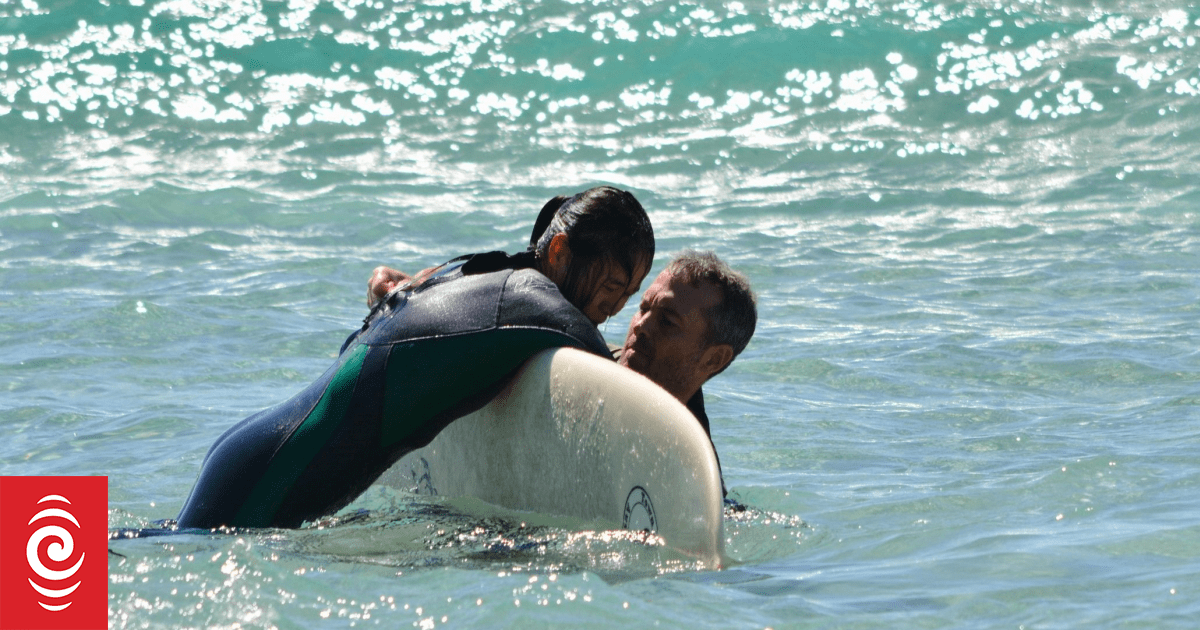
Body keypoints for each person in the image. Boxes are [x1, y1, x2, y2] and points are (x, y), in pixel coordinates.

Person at [176, 186, 654, 529]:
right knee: (120, 574)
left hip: (261, 449)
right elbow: (615, 390)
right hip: (274, 467)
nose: (613, 308)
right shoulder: (535, 301)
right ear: (558, 250)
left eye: (628, 294)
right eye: (611, 286)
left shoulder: (479, 273)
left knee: (145, 551)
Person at [615, 250, 757, 498]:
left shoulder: (694, 479)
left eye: (667, 321)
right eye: (643, 308)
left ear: (714, 359)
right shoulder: (578, 352)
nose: (641, 325)